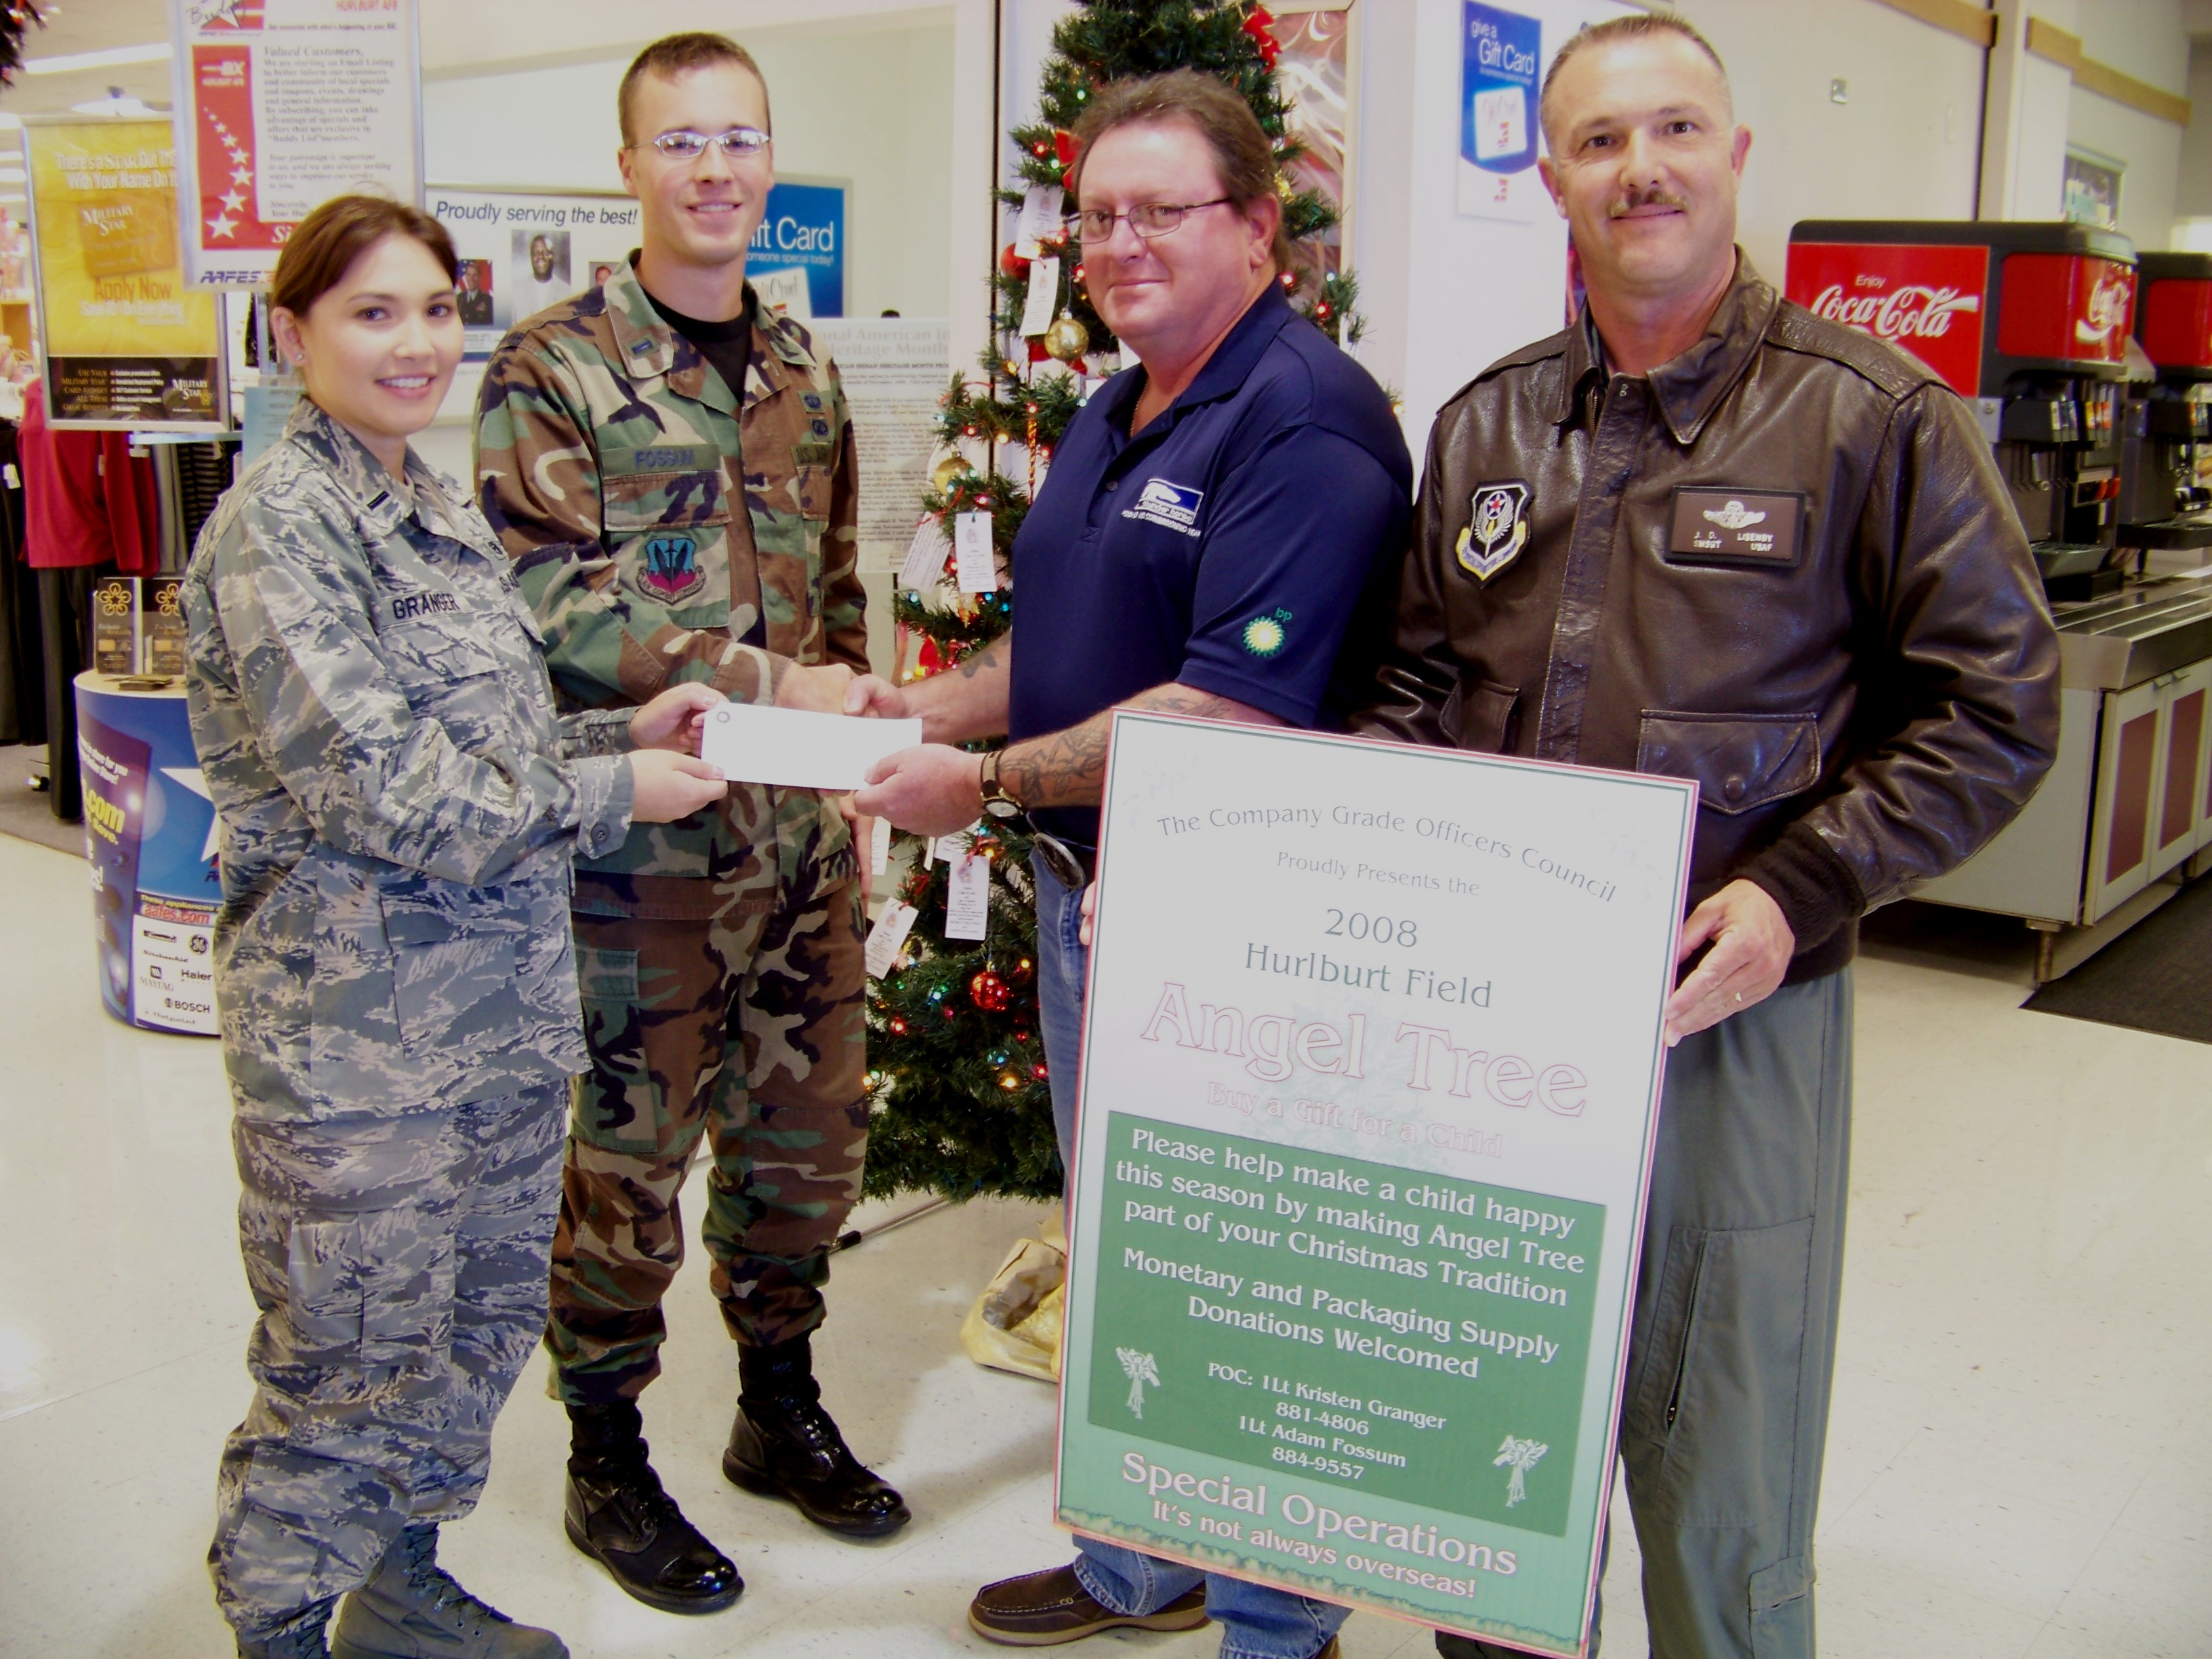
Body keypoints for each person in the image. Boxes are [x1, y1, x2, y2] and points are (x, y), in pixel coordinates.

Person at [1357, 18, 2060, 1659]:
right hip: (1492, 1024)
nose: (1641, 167)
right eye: (1599, 142)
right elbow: (1409, 682)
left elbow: (1998, 703)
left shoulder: (1872, 418)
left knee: (1718, 1462)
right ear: (1553, 180)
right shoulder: (1485, 428)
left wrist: (1799, 888)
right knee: (1490, 1459)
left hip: (1727, 1017)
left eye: (1677, 129)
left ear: (1739, 156)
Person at [851, 70, 1411, 1659]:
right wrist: (931, 703)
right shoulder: (1123, 399)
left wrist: (977, 781)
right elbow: (1070, 639)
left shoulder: (1304, 418)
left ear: (1258, 227)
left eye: (1159, 211)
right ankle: (1141, 1564)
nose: (1115, 243)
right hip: (1093, 886)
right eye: (1096, 215)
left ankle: (1273, 1619)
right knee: (1134, 1243)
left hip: (1231, 917)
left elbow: (1228, 705)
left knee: (1243, 1263)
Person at [182, 195, 733, 1659]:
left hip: (492, 1030)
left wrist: (628, 723)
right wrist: (625, 783)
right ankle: (285, 1622)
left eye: (436, 307)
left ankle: (399, 1579)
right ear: (292, 334)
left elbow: (491, 737)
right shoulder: (277, 531)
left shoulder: (427, 501)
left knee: (472, 1333)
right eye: (374, 312)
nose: (418, 341)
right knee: (344, 1358)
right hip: (358, 1060)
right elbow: (385, 790)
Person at [475, 30, 901, 1618]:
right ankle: (603, 1449)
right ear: (629, 163)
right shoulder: (553, 369)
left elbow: (842, 588)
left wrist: (850, 743)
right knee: (630, 1164)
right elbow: (556, 607)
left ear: (767, 162)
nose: (716, 169)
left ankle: (774, 1407)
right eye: (682, 142)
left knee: (809, 1143)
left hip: (797, 848)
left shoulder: (805, 363)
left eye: (741, 141)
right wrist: (767, 674)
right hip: (642, 858)